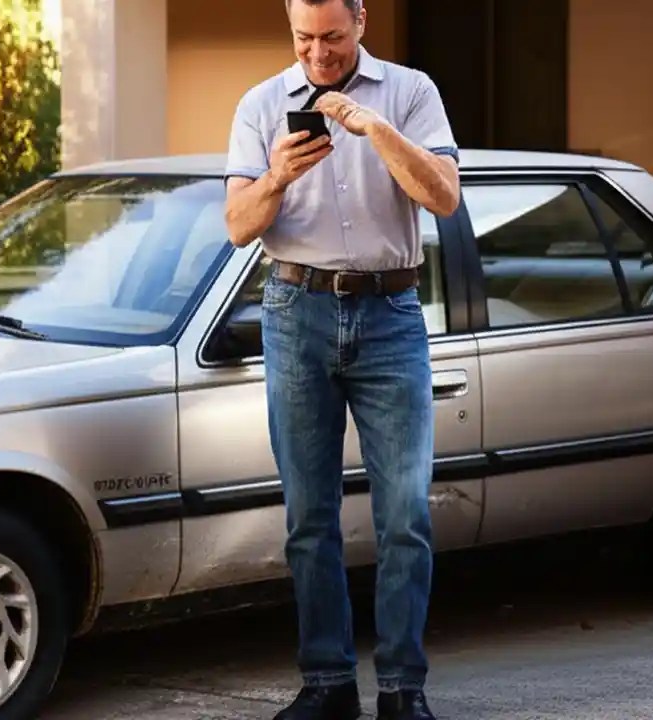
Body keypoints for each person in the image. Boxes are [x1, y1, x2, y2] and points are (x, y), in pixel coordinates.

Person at [222, 1, 460, 719]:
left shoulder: (411, 92)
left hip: (391, 315)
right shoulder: (262, 104)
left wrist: (376, 130)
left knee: (405, 516)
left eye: (330, 37)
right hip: (297, 313)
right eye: (302, 39)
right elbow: (237, 228)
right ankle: (326, 684)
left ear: (361, 21)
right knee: (309, 517)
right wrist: (274, 179)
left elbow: (443, 198)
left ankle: (400, 690)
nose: (317, 54)